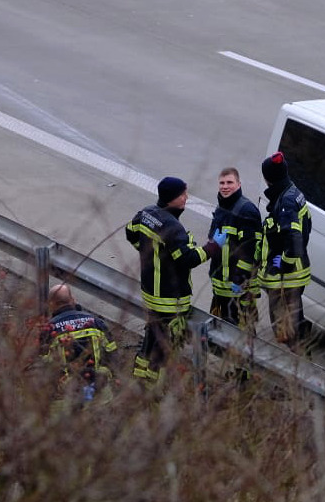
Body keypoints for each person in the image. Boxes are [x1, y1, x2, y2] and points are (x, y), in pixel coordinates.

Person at [126, 176, 222, 383]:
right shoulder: (173, 228)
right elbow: (187, 260)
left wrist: (148, 254)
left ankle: (140, 376)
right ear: (172, 199)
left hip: (149, 292)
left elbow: (131, 233)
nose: (186, 198)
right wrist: (213, 247)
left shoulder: (146, 214)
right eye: (182, 195)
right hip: (169, 299)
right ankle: (153, 386)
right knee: (165, 344)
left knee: (152, 334)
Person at [257, 152, 312, 351]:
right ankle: (300, 367)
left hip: (287, 279)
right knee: (295, 324)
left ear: (268, 178)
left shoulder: (286, 203)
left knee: (286, 331)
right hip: (294, 275)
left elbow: (294, 239)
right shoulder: (292, 192)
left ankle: (297, 372)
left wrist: (284, 263)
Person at [41, 283, 118, 404]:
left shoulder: (50, 330)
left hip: (68, 397)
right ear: (73, 299)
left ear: (51, 304)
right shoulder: (96, 322)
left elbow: (41, 365)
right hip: (100, 394)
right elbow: (113, 356)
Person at [207, 167, 262, 329]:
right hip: (221, 284)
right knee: (220, 332)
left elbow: (251, 252)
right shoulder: (221, 208)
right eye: (222, 183)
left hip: (237, 287)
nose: (225, 186)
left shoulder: (247, 210)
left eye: (229, 182)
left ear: (238, 184)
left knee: (240, 334)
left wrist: (239, 280)